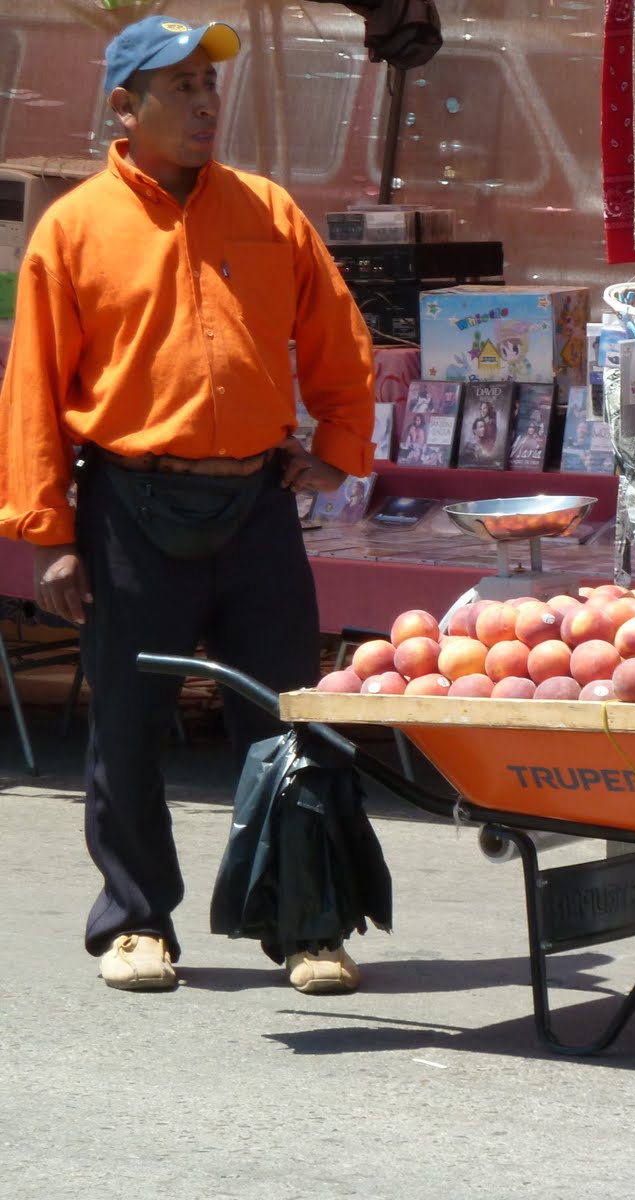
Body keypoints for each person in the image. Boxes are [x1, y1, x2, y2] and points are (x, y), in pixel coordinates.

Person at [0, 17, 376, 994]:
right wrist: (48, 535)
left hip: (255, 505)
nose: (208, 104)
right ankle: (134, 923)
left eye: (212, 87)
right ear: (124, 108)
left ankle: (307, 925)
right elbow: (33, 390)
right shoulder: (74, 229)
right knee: (125, 725)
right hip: (128, 509)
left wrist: (337, 448)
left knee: (288, 724)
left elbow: (338, 336)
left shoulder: (266, 210)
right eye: (182, 88)